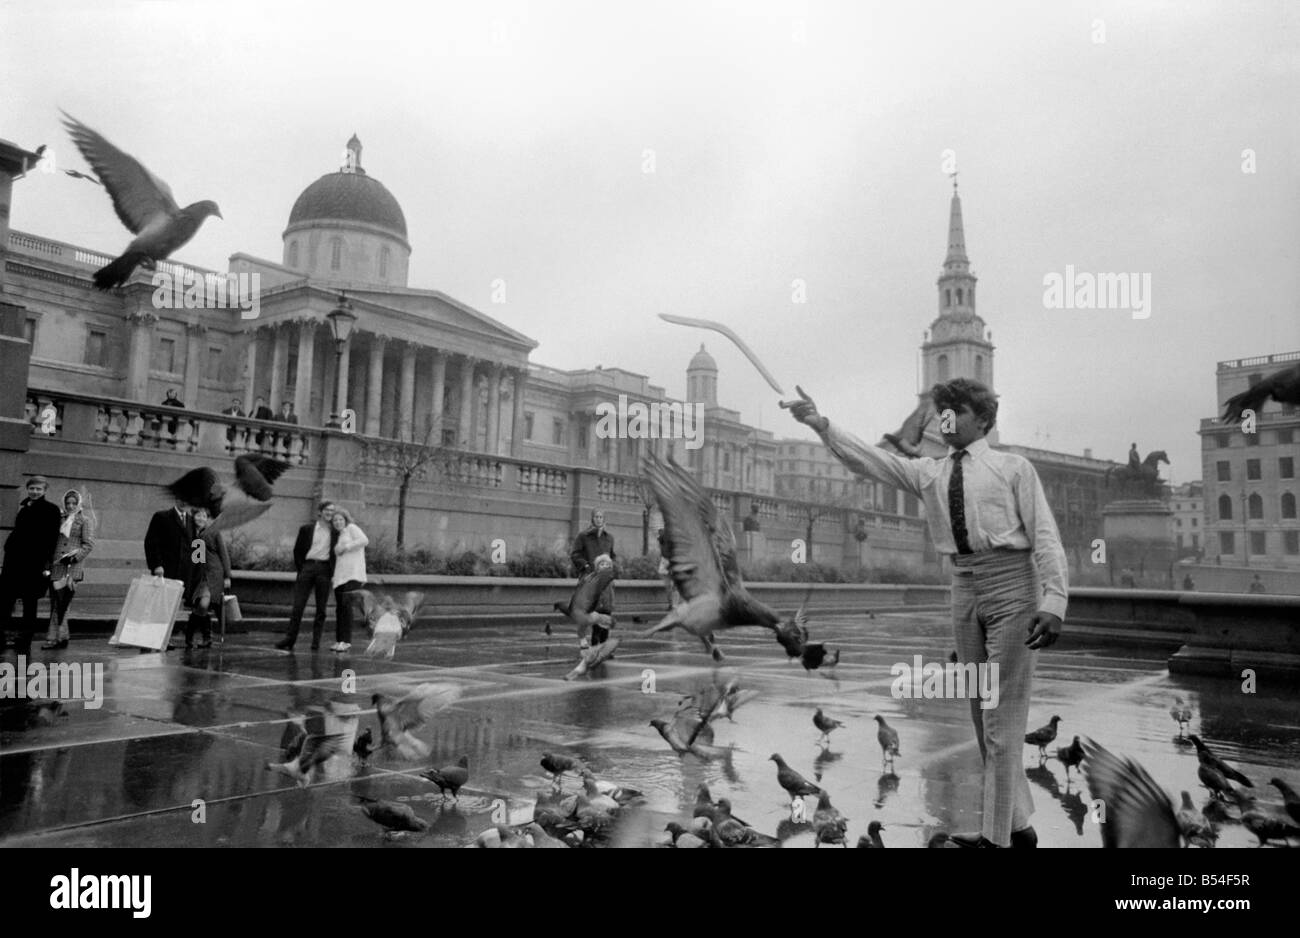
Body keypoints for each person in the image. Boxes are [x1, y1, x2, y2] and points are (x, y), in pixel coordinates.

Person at [787, 378, 1067, 849]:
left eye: (956, 409)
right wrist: (822, 425)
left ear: (982, 419)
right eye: (943, 410)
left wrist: (1054, 600)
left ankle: (995, 841)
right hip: (962, 587)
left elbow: (1044, 535)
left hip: (1014, 587)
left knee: (1001, 718)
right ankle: (1018, 828)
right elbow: (873, 461)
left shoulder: (1013, 468)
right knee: (983, 715)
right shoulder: (931, 473)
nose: (946, 418)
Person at [0, 476, 62, 655]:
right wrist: (9, 547)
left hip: (33, 564)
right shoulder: (24, 508)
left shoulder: (51, 510)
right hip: (14, 562)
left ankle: (25, 638)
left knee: (29, 602)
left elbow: (51, 538)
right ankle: (2, 636)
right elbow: (18, 532)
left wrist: (44, 563)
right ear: (28, 489)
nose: (35, 492)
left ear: (45, 491)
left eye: (39, 489)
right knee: (5, 600)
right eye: (32, 488)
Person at [277, 502, 338, 651]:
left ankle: (316, 642)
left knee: (321, 609)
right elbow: (297, 550)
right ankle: (290, 639)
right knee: (298, 606)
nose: (329, 513)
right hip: (308, 567)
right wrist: (302, 568)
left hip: (324, 569)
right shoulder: (306, 529)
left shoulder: (336, 532)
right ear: (320, 512)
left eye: (332, 511)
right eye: (327, 510)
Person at [43, 489, 96, 650]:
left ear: (79, 503)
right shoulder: (59, 519)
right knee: (55, 603)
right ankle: (62, 636)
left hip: (72, 568)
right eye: (68, 503)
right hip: (56, 566)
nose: (71, 506)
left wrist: (75, 556)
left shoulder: (84, 520)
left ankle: (54, 638)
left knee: (63, 603)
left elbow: (88, 544)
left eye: (74, 503)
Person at [144, 497, 196, 649]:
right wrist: (156, 565)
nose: (185, 501)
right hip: (165, 570)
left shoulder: (192, 521)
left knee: (172, 607)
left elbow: (197, 544)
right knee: (159, 606)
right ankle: (152, 638)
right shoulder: (161, 517)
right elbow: (151, 542)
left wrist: (199, 567)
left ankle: (164, 638)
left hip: (183, 572)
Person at [184, 507, 230, 649]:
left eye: (204, 516)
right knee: (200, 606)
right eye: (198, 515)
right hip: (198, 576)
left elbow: (224, 554)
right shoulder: (190, 533)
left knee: (203, 604)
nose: (201, 518)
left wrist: (227, 576)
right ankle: (202, 637)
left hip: (213, 574)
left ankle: (194, 635)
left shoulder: (213, 532)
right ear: (193, 516)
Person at [570, 508, 616, 648]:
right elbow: (575, 554)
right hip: (589, 577)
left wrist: (612, 566)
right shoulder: (583, 536)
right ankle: (586, 639)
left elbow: (612, 555)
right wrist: (585, 566)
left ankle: (601, 642)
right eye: (596, 516)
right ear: (592, 519)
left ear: (604, 519)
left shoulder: (609, 538)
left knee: (604, 609)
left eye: (601, 516)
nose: (598, 519)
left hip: (604, 579)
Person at [330, 507, 369, 653]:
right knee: (340, 608)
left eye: (340, 519)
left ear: (346, 520)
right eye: (335, 520)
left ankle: (346, 641)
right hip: (341, 577)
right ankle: (339, 640)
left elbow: (364, 540)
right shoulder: (338, 535)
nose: (338, 522)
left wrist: (346, 546)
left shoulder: (352, 528)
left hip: (353, 575)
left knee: (346, 608)